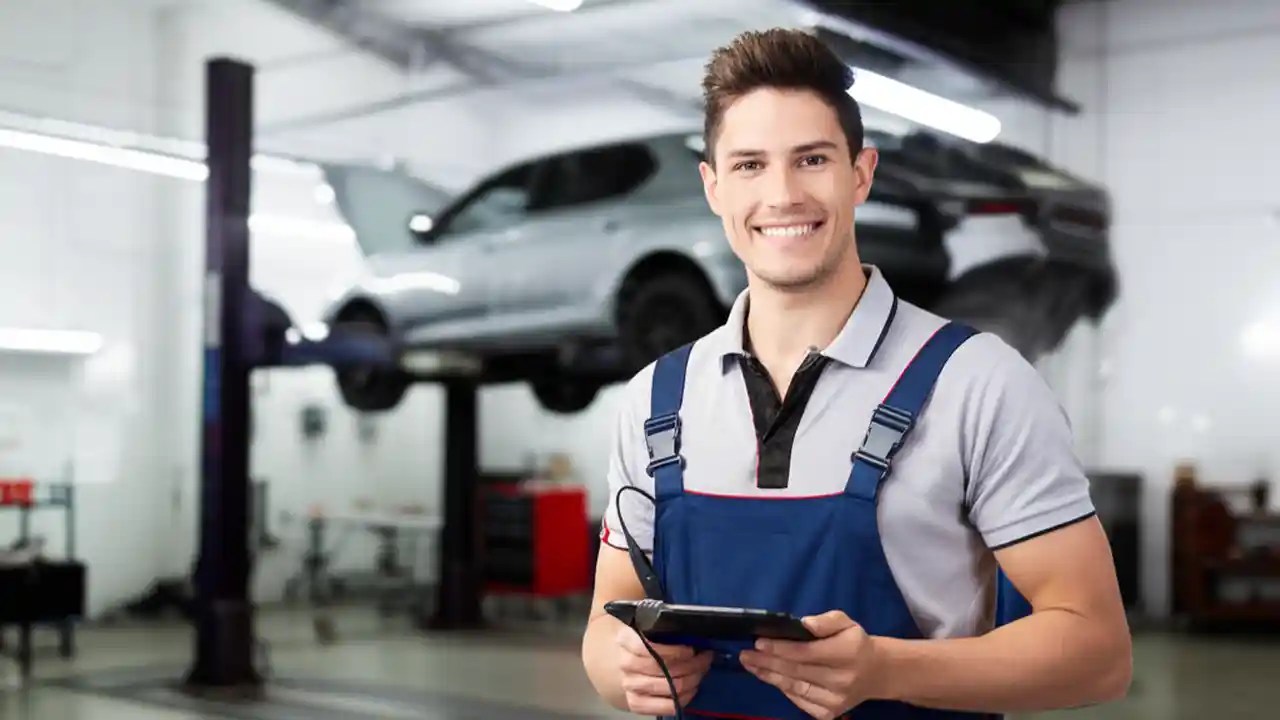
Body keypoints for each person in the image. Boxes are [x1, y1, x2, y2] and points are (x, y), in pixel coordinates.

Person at [580, 27, 1132, 720]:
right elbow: (606, 624)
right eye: (750, 165)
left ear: (860, 174)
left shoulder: (978, 383)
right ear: (713, 187)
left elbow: (1098, 651)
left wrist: (887, 669)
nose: (782, 195)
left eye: (811, 159)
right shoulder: (657, 399)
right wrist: (624, 667)